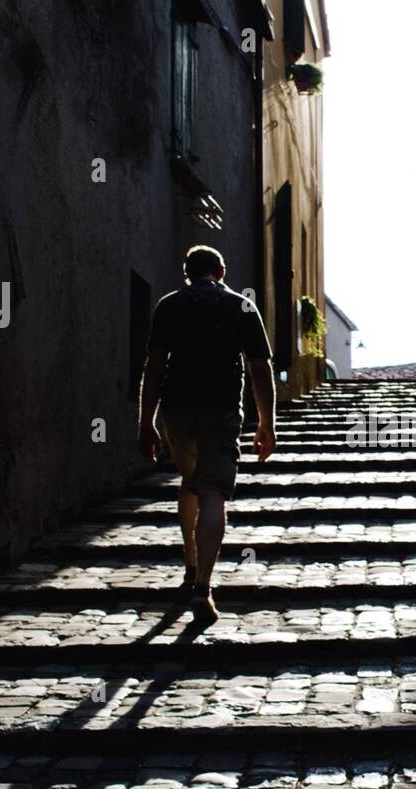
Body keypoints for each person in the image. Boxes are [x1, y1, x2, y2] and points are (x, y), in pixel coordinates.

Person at [137, 245, 276, 627]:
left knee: (190, 481)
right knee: (213, 491)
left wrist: (145, 422)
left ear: (187, 273)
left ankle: (190, 563)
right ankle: (202, 586)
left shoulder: (168, 305)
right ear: (222, 270)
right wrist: (267, 422)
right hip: (222, 409)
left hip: (177, 410)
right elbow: (260, 366)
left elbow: (154, 366)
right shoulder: (242, 306)